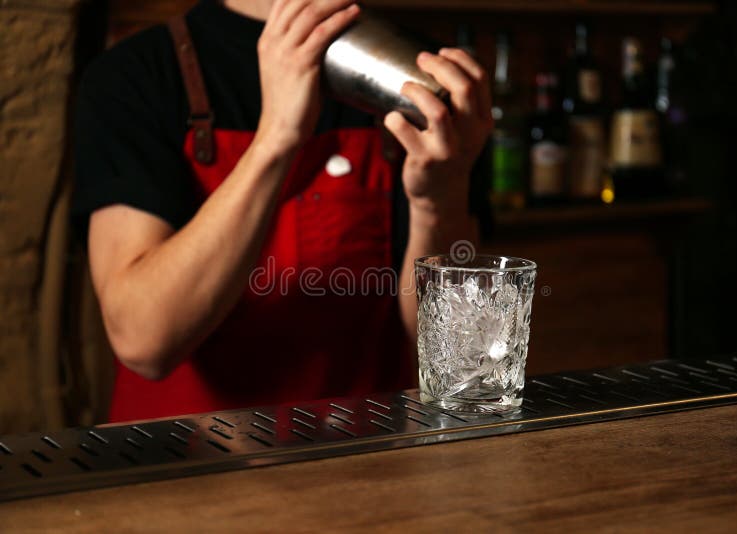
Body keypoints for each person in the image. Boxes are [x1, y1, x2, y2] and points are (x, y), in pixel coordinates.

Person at [72, 0, 493, 422]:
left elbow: (457, 365)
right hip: (188, 469)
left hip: (371, 465)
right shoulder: (136, 75)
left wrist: (438, 201)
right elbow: (144, 341)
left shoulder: (431, 84)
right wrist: (276, 138)